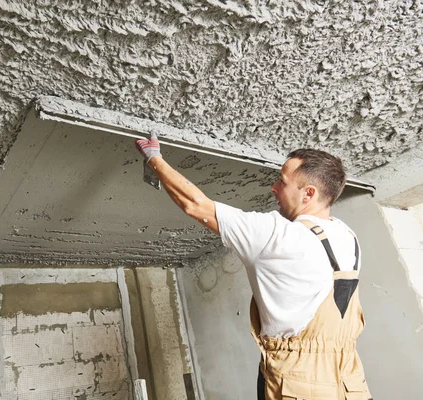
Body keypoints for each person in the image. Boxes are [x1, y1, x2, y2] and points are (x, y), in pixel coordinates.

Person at [135, 133, 372, 400]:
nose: (273, 187)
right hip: (351, 381)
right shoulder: (347, 236)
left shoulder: (277, 234)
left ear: (308, 194)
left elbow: (196, 205)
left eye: (282, 182)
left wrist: (154, 158)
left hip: (298, 381)